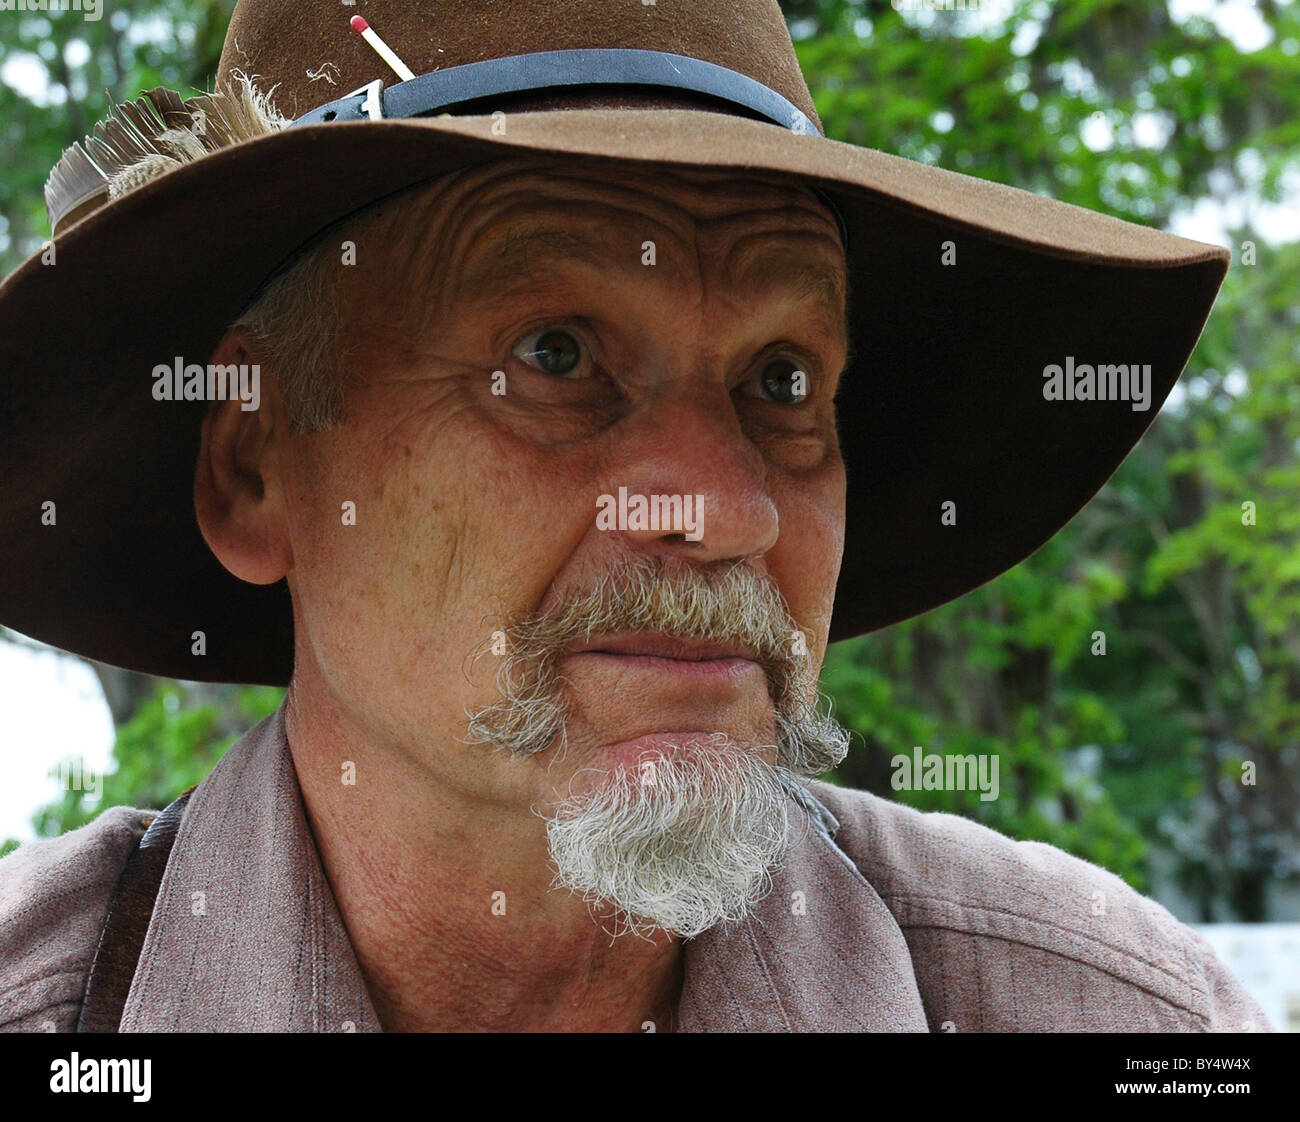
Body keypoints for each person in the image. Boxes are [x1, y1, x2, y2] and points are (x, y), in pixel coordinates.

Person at [0, 0, 1269, 1032]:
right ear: (253, 468)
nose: (727, 514)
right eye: (556, 356)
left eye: (782, 382)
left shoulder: (1110, 1014)